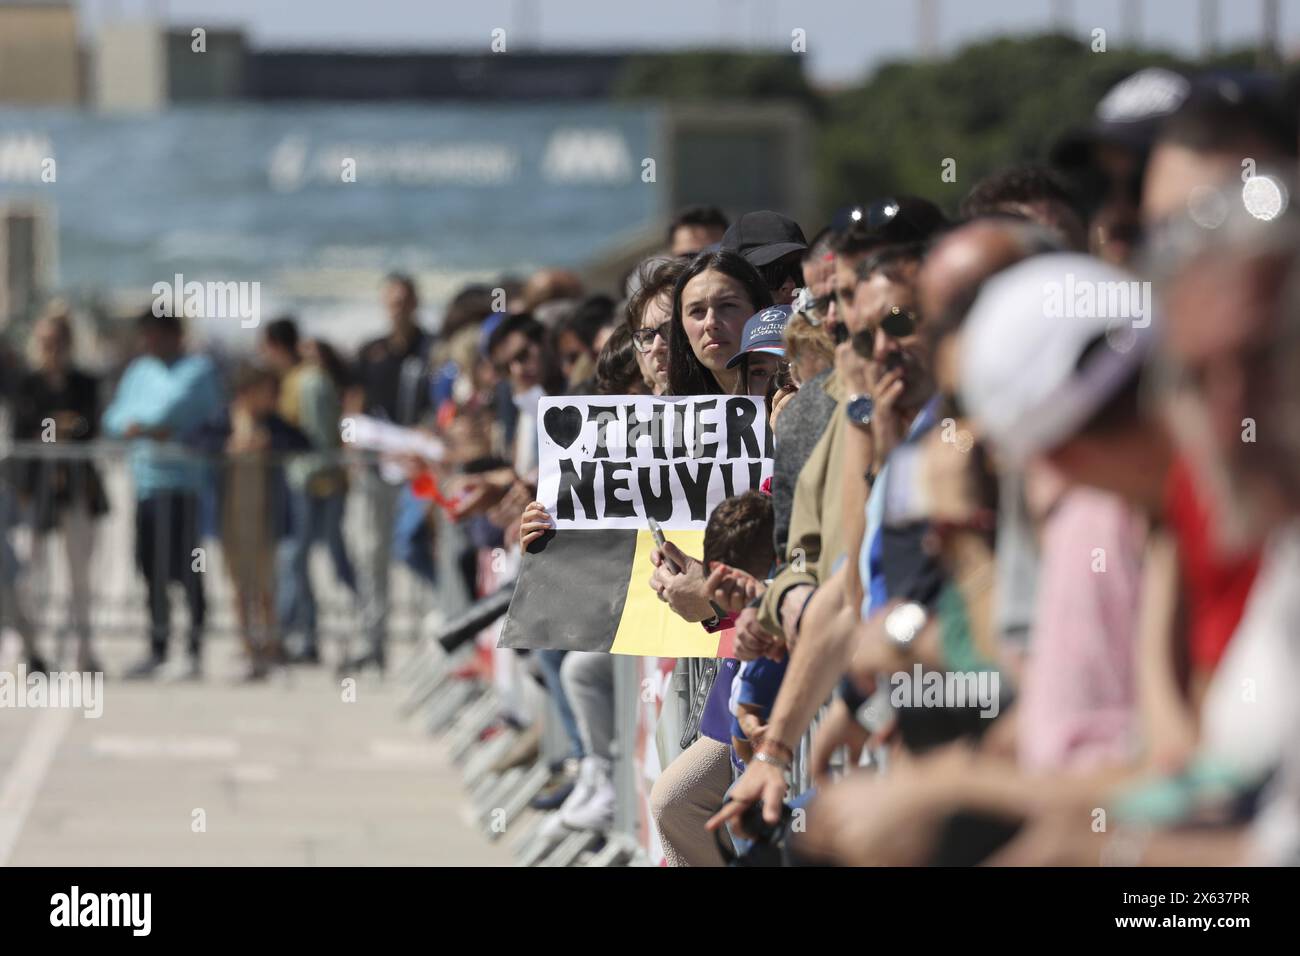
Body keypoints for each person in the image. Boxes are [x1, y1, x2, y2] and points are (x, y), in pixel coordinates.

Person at [102, 310, 222, 680]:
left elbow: (176, 407)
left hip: (185, 487)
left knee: (189, 570)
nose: (148, 343)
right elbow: (115, 418)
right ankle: (158, 646)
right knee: (150, 568)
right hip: (147, 485)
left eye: (154, 335)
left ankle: (194, 650)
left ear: (173, 335)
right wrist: (139, 426)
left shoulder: (199, 369)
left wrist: (148, 424)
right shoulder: (139, 371)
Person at [187, 364, 310, 681]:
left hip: (266, 518)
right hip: (232, 517)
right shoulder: (225, 419)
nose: (274, 398)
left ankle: (271, 648)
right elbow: (194, 439)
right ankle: (248, 649)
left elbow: (302, 442)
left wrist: (269, 444)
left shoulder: (272, 423)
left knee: (267, 587)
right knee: (241, 588)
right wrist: (227, 446)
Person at [342, 273, 434, 673]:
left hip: (418, 468)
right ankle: (371, 641)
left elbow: (439, 407)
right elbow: (353, 403)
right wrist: (353, 448)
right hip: (376, 469)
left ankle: (431, 645)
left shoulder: (431, 350)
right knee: (371, 555)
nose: (398, 308)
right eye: (392, 301)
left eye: (404, 301)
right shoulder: (371, 351)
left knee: (415, 548)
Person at [11, 308, 108, 671]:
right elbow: (24, 432)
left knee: (80, 575)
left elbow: (87, 426)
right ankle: (32, 649)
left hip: (79, 490)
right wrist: (55, 428)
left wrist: (57, 428)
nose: (50, 349)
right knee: (29, 573)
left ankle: (83, 650)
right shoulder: (28, 383)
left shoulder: (84, 382)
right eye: (44, 343)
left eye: (56, 342)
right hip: (38, 492)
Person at [261, 319, 355, 665]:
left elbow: (317, 442)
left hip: (316, 485)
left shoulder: (309, 382)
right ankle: (304, 636)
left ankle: (359, 629)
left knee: (324, 561)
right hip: (307, 483)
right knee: (298, 561)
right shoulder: (297, 380)